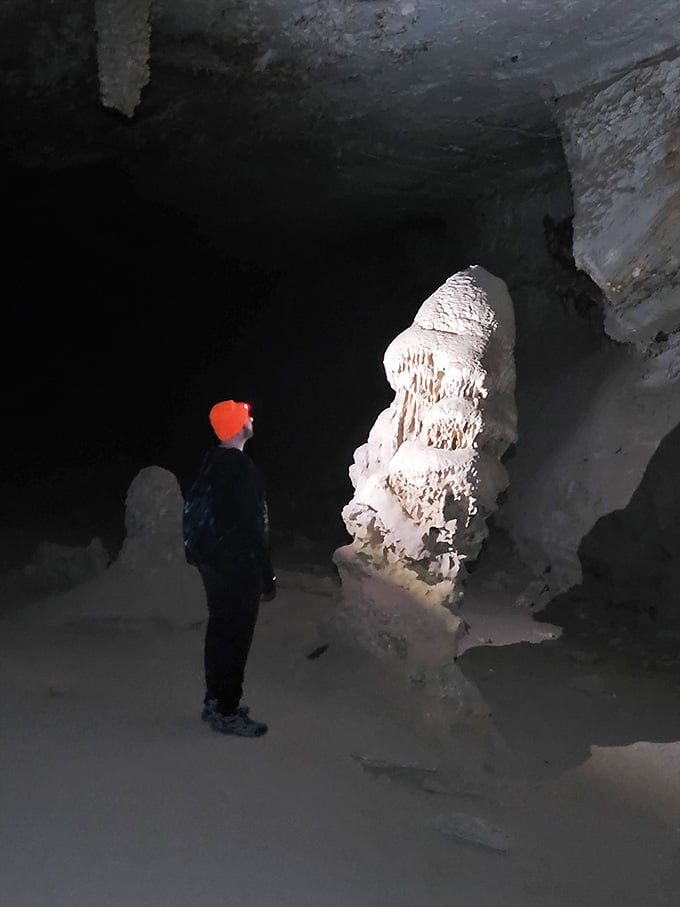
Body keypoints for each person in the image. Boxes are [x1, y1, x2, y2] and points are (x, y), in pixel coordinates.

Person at [185, 399, 277, 738]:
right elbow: (252, 527)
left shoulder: (211, 461)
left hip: (212, 563)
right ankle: (226, 709)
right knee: (236, 638)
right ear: (238, 427)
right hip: (236, 566)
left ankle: (216, 700)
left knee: (220, 631)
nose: (251, 418)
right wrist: (267, 576)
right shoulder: (241, 469)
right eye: (245, 416)